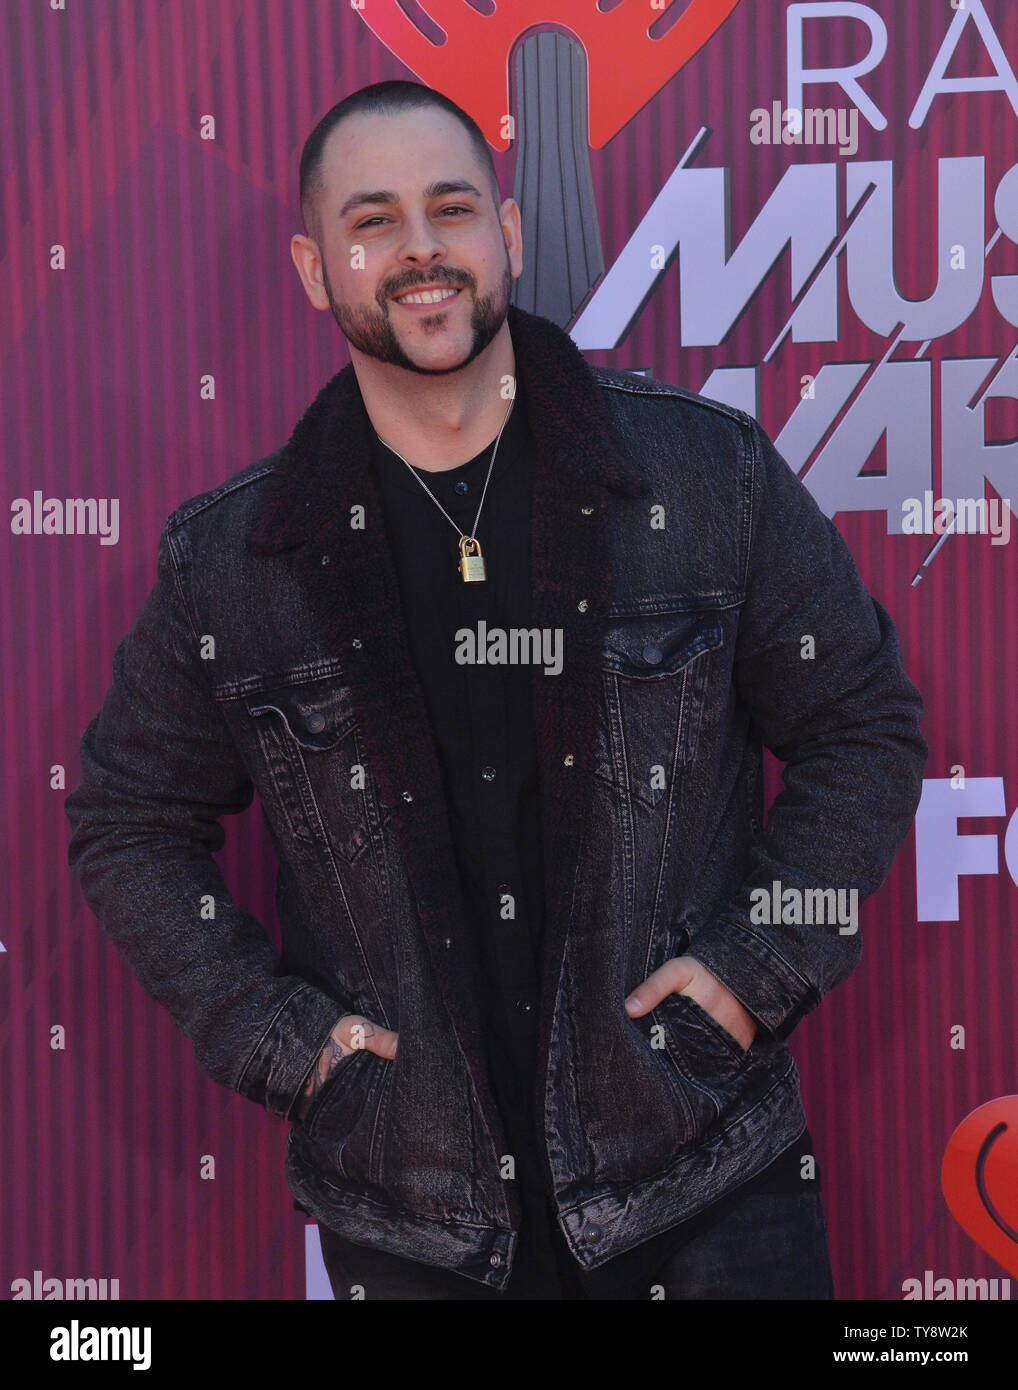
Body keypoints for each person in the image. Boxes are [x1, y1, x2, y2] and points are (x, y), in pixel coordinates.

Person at [65, 79, 928, 1301]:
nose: (419, 248)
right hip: (414, 1228)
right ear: (317, 271)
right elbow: (126, 821)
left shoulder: (702, 474)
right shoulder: (234, 563)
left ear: (508, 235)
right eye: (373, 222)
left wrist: (758, 968)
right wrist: (282, 1044)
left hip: (705, 1186)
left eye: (450, 208)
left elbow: (863, 727)